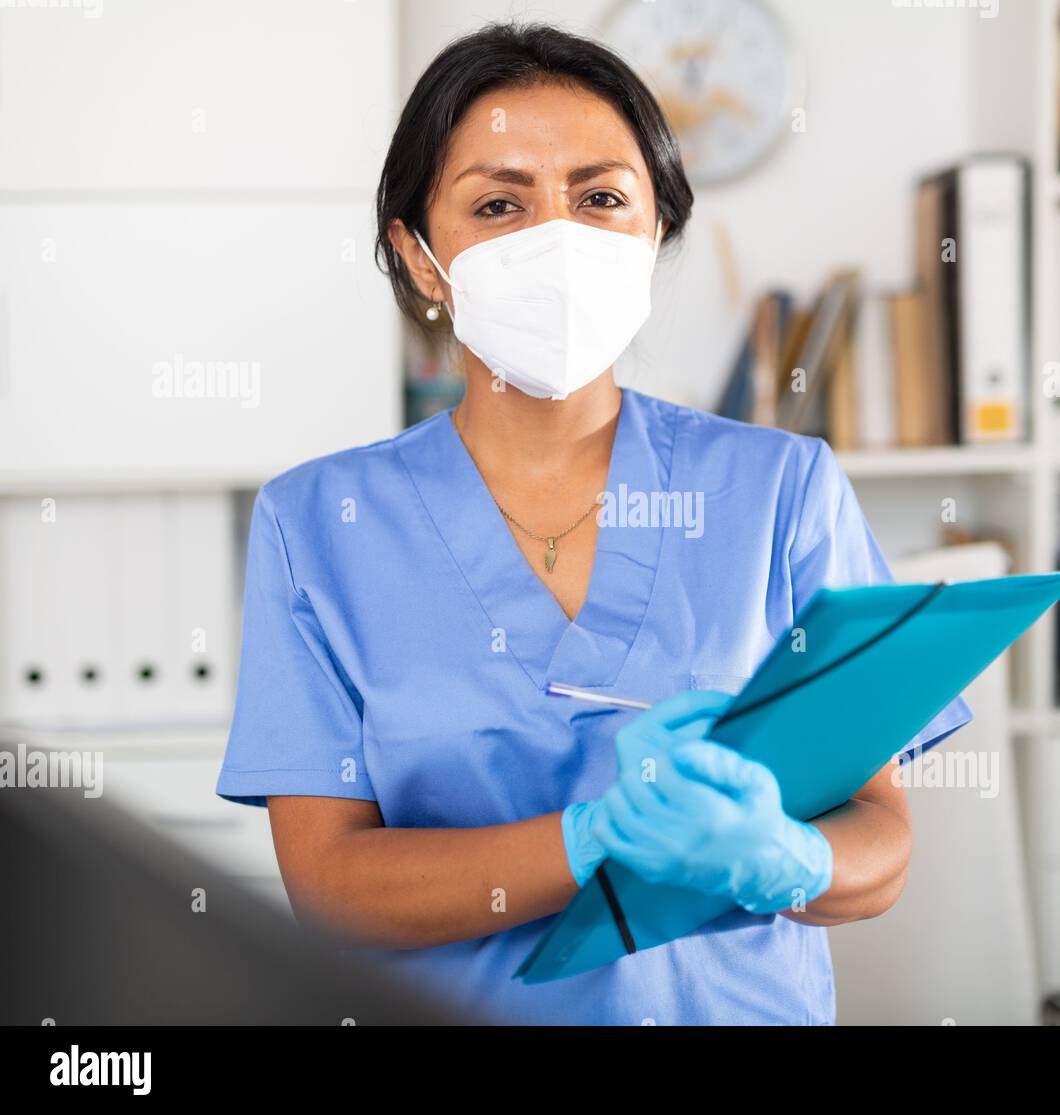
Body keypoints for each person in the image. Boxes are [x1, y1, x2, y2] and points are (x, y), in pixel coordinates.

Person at [217, 21, 971, 1025]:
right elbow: (332, 886)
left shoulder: (783, 489)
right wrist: (591, 838)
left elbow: (878, 849)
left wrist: (784, 856)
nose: (556, 240)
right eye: (497, 203)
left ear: (654, 230)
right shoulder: (318, 523)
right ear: (421, 257)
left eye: (600, 197)